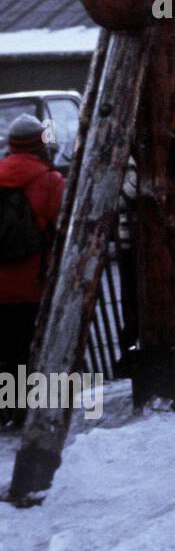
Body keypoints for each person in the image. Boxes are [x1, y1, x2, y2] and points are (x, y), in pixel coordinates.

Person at [0, 114, 65, 428]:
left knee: (6, 350)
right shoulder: (50, 181)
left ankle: (6, 409)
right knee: (32, 349)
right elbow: (63, 228)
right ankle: (30, 410)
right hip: (33, 284)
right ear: (41, 143)